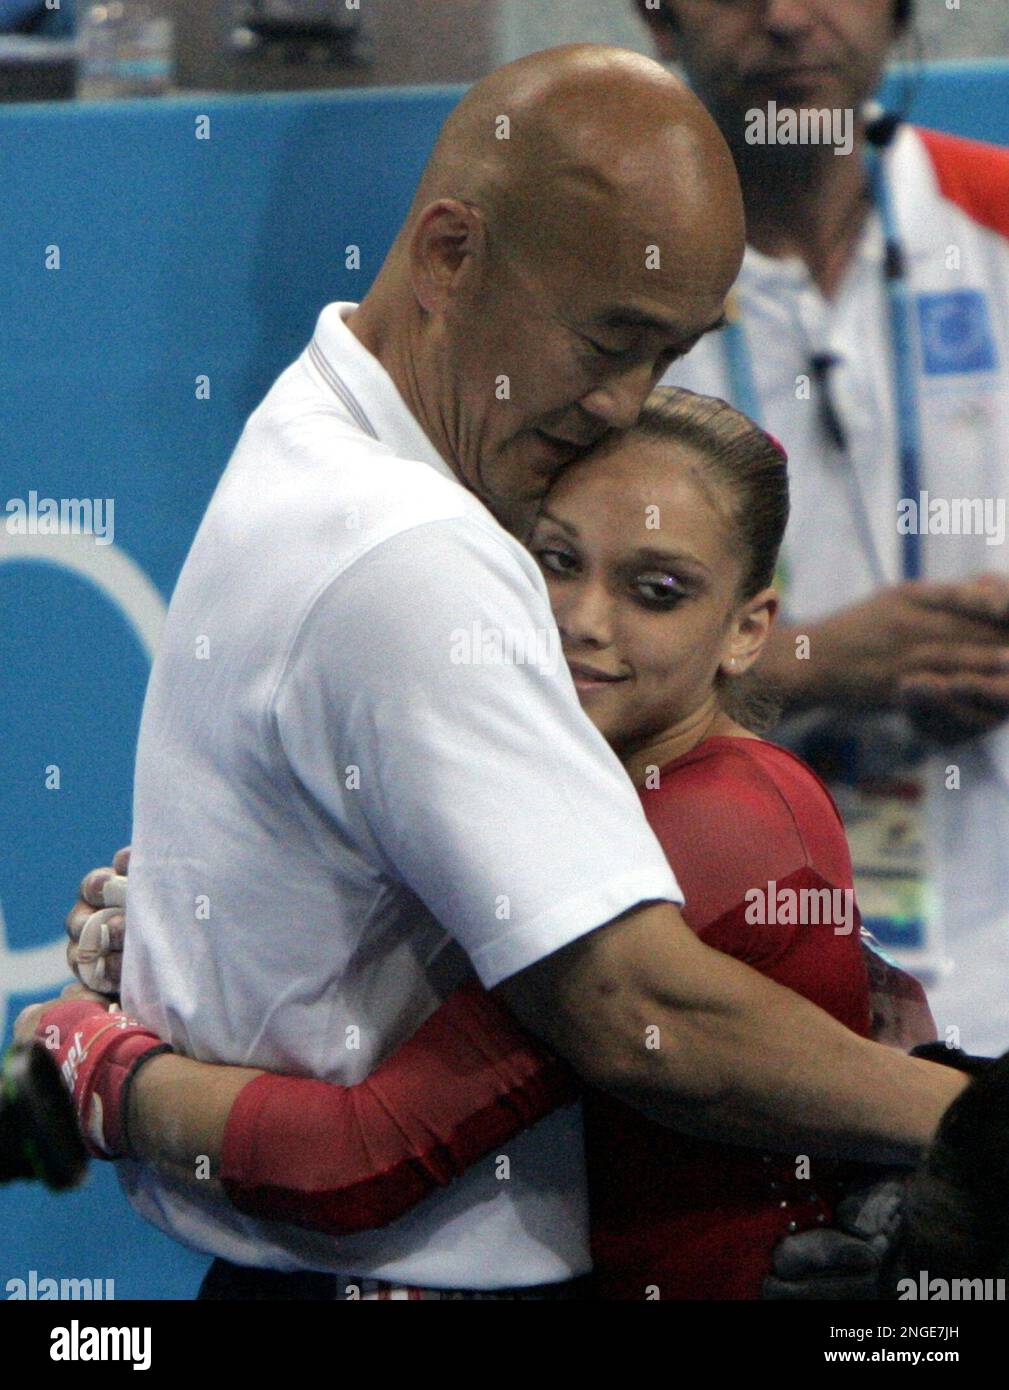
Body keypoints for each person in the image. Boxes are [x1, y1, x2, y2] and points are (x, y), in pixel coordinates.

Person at [23, 45, 968, 1300]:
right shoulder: (419, 549)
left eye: (670, 353)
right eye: (610, 337)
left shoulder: (313, 428)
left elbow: (421, 1122)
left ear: (750, 625)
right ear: (450, 253)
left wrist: (97, 1061)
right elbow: (633, 1018)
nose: (625, 403)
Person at [635, 0, 1009, 1054]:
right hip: (739, 988)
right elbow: (531, 694)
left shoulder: (996, 222)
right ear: (655, 17)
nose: (787, 18)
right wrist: (809, 663)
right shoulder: (611, 292)